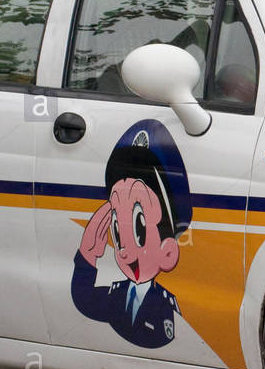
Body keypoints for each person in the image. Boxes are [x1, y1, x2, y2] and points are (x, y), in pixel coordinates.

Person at [71, 120, 192, 348]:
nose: (123, 253)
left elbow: (157, 339)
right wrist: (88, 256)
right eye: (117, 230)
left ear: (168, 252)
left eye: (139, 229)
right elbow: (84, 300)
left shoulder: (166, 305)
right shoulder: (118, 293)